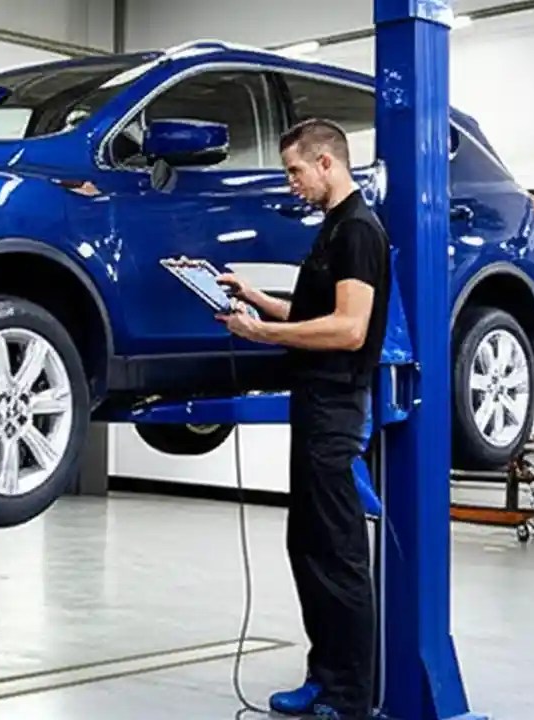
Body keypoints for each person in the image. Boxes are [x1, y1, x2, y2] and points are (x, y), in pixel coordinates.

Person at [216, 118, 390, 720]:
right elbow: (313, 314)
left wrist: (262, 334)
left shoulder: (359, 231)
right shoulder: (332, 229)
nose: (290, 182)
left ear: (326, 163)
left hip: (337, 406)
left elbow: (350, 328)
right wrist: (256, 299)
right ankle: (323, 676)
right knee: (309, 546)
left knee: (339, 554)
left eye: (294, 171)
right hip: (312, 403)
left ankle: (350, 697)